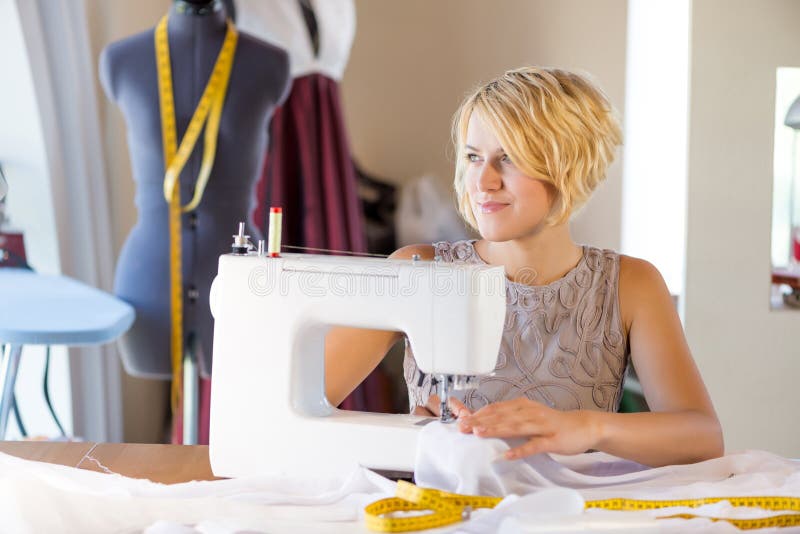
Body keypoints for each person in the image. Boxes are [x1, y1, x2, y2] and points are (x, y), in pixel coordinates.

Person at [325, 67, 723, 468]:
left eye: (509, 158)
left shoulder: (630, 285)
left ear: (570, 164)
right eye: (473, 157)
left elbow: (702, 436)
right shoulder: (418, 272)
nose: (482, 181)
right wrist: (404, 435)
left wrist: (588, 428)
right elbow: (298, 404)